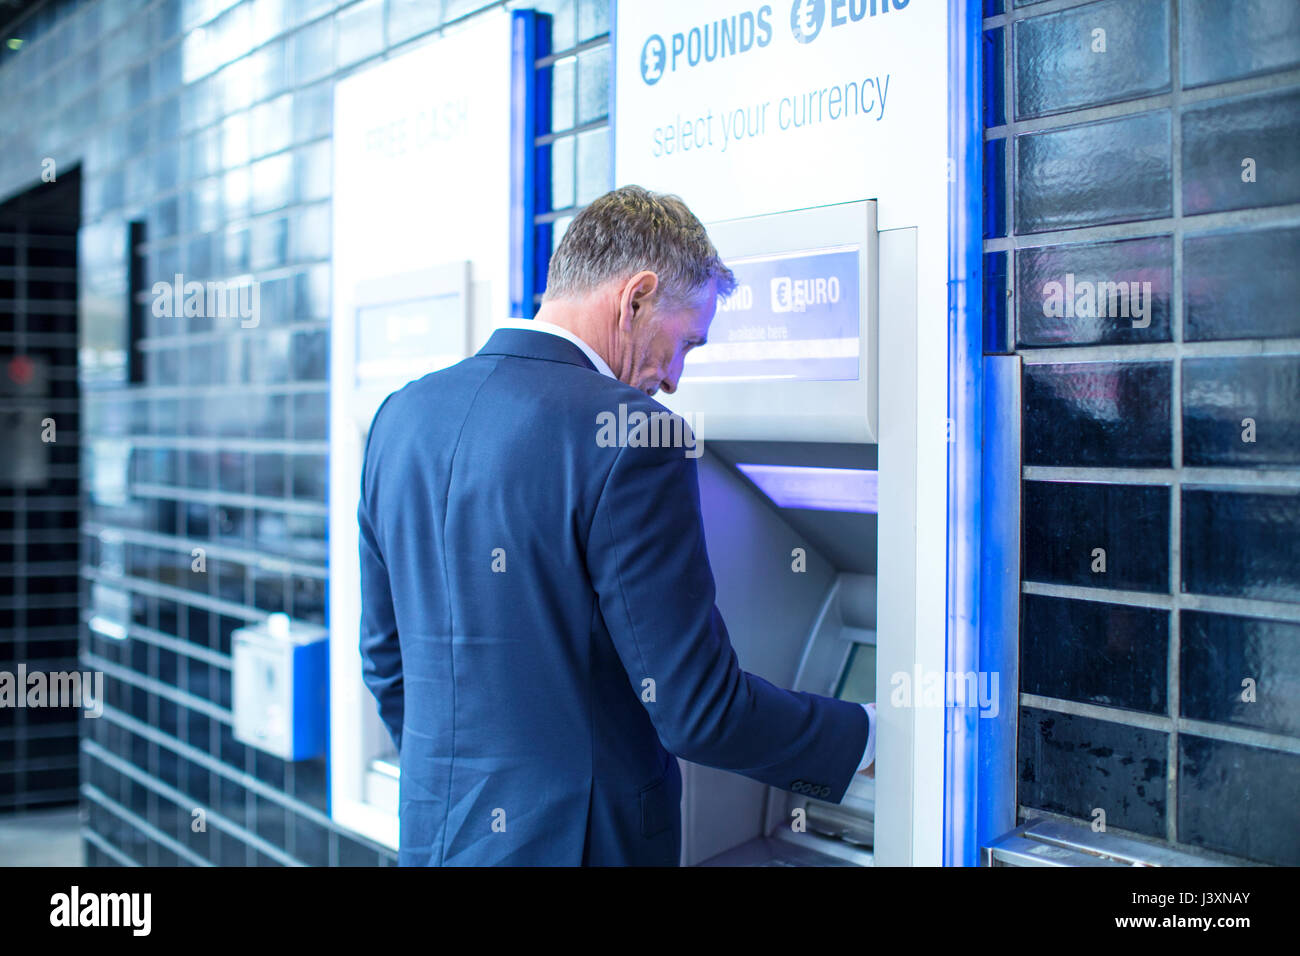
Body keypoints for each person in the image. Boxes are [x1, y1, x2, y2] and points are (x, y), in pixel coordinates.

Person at [358, 184, 876, 866]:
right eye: (686, 340)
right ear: (635, 298)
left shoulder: (401, 418)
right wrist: (864, 739)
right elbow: (699, 711)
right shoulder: (634, 438)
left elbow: (386, 661)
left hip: (433, 845)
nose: (675, 378)